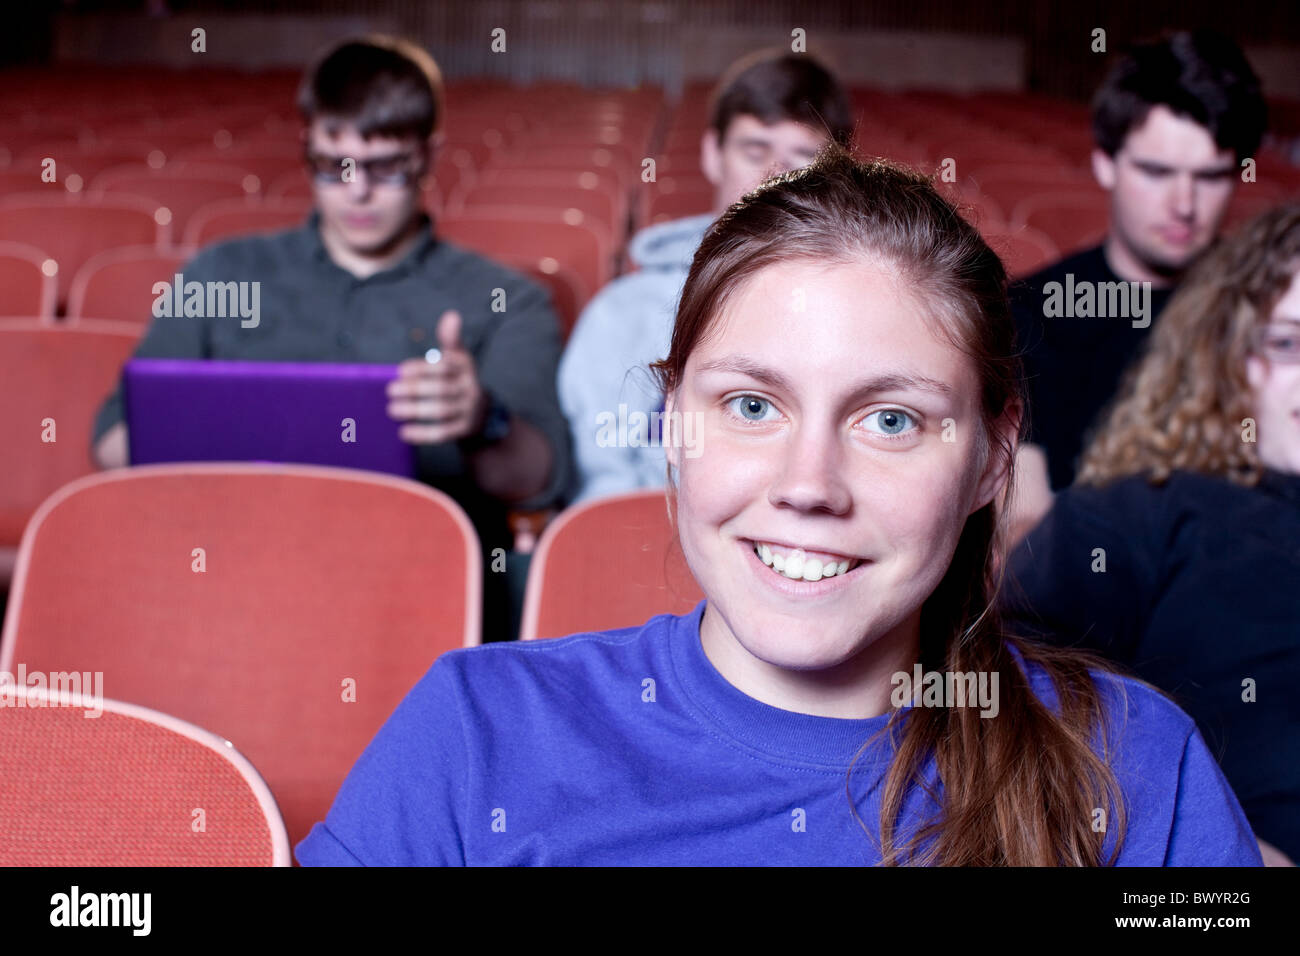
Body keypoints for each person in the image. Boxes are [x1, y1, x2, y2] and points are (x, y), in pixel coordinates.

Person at [296, 147, 1261, 866]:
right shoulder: (475, 734)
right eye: (752, 406)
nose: (808, 484)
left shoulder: (1136, 770)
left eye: (889, 419)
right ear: (672, 427)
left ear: (989, 460)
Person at [90, 36, 572, 642]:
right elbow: (112, 443)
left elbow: (539, 478)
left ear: (428, 155)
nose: (356, 191)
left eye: (384, 167)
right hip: (225, 566)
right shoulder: (221, 274)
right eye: (331, 165)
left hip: (414, 588)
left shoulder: (504, 297)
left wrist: (481, 419)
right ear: (306, 151)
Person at [1003, 203, 1300, 867]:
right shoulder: (1144, 514)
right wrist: (1212, 845)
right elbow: (993, 709)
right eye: (1288, 343)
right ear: (1233, 355)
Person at [558, 49, 852, 504]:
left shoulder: (859, 312)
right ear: (713, 154)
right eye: (755, 151)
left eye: (804, 159)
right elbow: (603, 480)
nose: (775, 176)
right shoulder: (624, 310)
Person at [1007, 30, 1267, 534]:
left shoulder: (1266, 310)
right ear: (1105, 164)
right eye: (1156, 172)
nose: (1184, 205)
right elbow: (1026, 523)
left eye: (1210, 177)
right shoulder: (1032, 312)